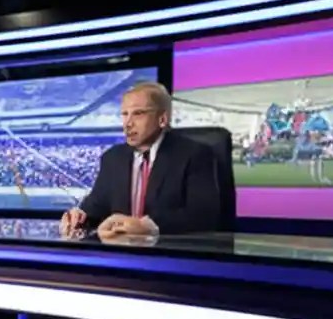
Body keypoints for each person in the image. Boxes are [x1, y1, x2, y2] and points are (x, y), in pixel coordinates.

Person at [60, 81, 222, 240]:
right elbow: (96, 206)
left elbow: (203, 216)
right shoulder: (113, 158)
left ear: (162, 119)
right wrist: (79, 217)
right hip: (120, 256)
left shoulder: (194, 155)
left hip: (170, 256)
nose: (128, 124)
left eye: (138, 113)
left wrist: (148, 226)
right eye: (124, 114)